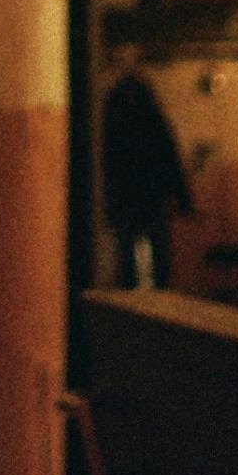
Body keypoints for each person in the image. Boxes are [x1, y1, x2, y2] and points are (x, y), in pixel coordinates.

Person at [100, 39, 192, 288]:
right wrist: (184, 199)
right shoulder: (150, 107)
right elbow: (168, 153)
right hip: (152, 196)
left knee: (127, 257)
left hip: (124, 197)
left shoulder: (111, 107)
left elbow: (104, 156)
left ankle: (131, 305)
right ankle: (159, 300)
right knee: (159, 256)